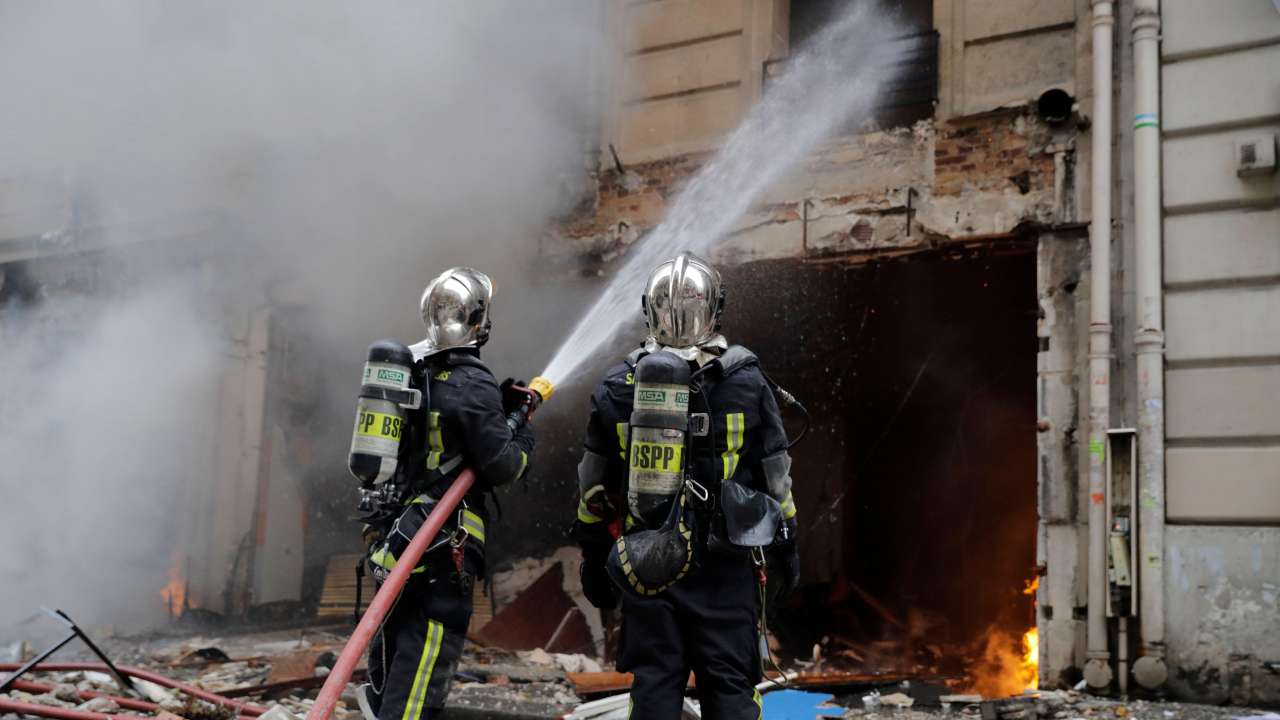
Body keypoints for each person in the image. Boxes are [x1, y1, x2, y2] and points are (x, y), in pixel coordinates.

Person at [572, 252, 799, 719]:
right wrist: (787, 548)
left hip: (648, 564)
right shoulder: (747, 382)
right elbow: (776, 480)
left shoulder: (617, 386)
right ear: (717, 308)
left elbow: (592, 488)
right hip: (726, 569)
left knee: (654, 689)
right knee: (731, 690)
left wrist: (594, 557)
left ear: (646, 309)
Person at [359, 267, 535, 720]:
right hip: (442, 546)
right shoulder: (470, 380)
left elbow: (444, 429)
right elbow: (502, 465)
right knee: (423, 665)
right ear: (478, 319)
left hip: (395, 537)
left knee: (394, 649)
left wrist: (499, 410)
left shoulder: (408, 371)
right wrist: (522, 433)